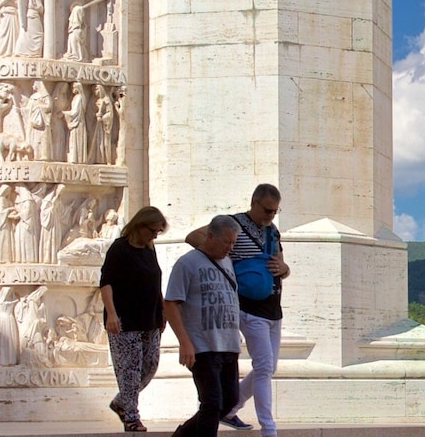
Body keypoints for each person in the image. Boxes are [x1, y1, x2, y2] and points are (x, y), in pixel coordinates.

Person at [184, 184, 288, 435]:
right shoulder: (234, 224)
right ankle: (268, 428)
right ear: (254, 202)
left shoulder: (272, 231)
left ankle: (230, 408)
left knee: (268, 367)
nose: (270, 215)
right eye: (267, 210)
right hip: (248, 308)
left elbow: (281, 264)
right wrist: (226, 260)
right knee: (264, 366)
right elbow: (195, 237)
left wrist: (285, 269)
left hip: (273, 306)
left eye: (274, 211)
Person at [163, 216, 244, 437]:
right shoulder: (187, 263)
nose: (230, 248)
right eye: (226, 242)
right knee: (212, 402)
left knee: (229, 401)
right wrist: (184, 341)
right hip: (202, 346)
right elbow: (171, 303)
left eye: (233, 243)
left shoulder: (227, 262)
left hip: (228, 344)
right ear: (210, 236)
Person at [97, 206, 168, 432]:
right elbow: (106, 282)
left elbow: (155, 281)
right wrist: (111, 313)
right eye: (153, 230)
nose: (155, 235)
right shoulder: (120, 249)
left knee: (149, 365)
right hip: (125, 320)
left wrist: (162, 310)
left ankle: (121, 402)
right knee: (129, 369)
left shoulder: (149, 249)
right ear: (140, 225)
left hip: (150, 318)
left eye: (158, 232)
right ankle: (131, 416)